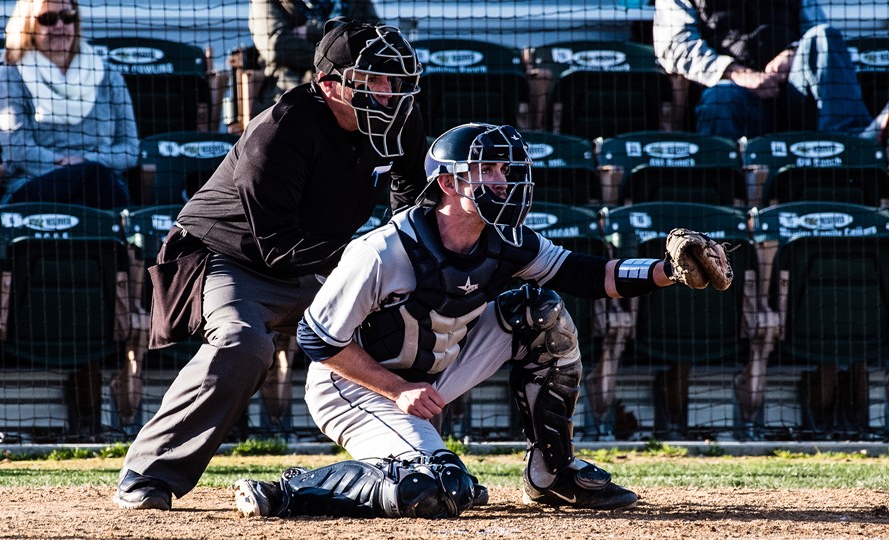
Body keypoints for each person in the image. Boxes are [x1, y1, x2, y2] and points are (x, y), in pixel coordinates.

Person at [232, 123, 733, 518]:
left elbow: (585, 275)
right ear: (448, 182)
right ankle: (288, 491)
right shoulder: (383, 250)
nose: (503, 180)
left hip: (434, 373)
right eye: (488, 170)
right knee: (438, 491)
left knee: (540, 311)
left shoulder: (506, 238)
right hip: (356, 385)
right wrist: (395, 389)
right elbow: (316, 339)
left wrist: (668, 271)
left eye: (506, 170)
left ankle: (552, 472)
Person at [113, 20, 426, 510]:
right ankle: (148, 473)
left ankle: (413, 463)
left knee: (407, 314)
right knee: (245, 343)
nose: (390, 93)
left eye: (396, 80)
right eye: (375, 80)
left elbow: (412, 194)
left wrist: (405, 261)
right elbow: (278, 243)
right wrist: (363, 263)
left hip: (320, 260)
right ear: (330, 85)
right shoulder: (281, 130)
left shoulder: (398, 118)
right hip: (231, 256)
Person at [653, 0, 886, 141]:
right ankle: (730, 202)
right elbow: (674, 45)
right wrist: (735, 73)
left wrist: (793, 53)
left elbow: (813, 26)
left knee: (824, 36)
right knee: (721, 98)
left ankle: (854, 145)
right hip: (730, 90)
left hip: (792, 90)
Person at [0, 0, 138, 209]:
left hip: (102, 186)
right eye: (48, 19)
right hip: (33, 185)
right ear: (27, 26)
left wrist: (87, 161)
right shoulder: (10, 76)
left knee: (95, 177)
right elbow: (17, 148)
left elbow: (130, 149)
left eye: (67, 16)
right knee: (94, 175)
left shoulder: (108, 75)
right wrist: (65, 166)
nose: (60, 25)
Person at [249, 1, 379, 114]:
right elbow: (275, 46)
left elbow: (377, 38)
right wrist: (342, 45)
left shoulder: (355, 2)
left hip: (351, 94)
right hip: (287, 94)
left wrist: (309, 30)